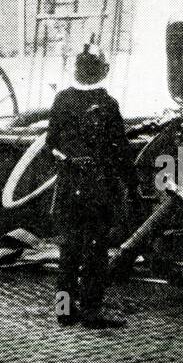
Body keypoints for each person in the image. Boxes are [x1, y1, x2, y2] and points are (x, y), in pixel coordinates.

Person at [48, 45, 131, 328]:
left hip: (70, 186)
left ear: (76, 71)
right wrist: (132, 185)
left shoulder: (61, 100)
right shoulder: (109, 105)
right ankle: (91, 311)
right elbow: (121, 151)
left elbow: (51, 143)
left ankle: (63, 311)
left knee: (67, 252)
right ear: (103, 72)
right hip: (97, 189)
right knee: (95, 253)